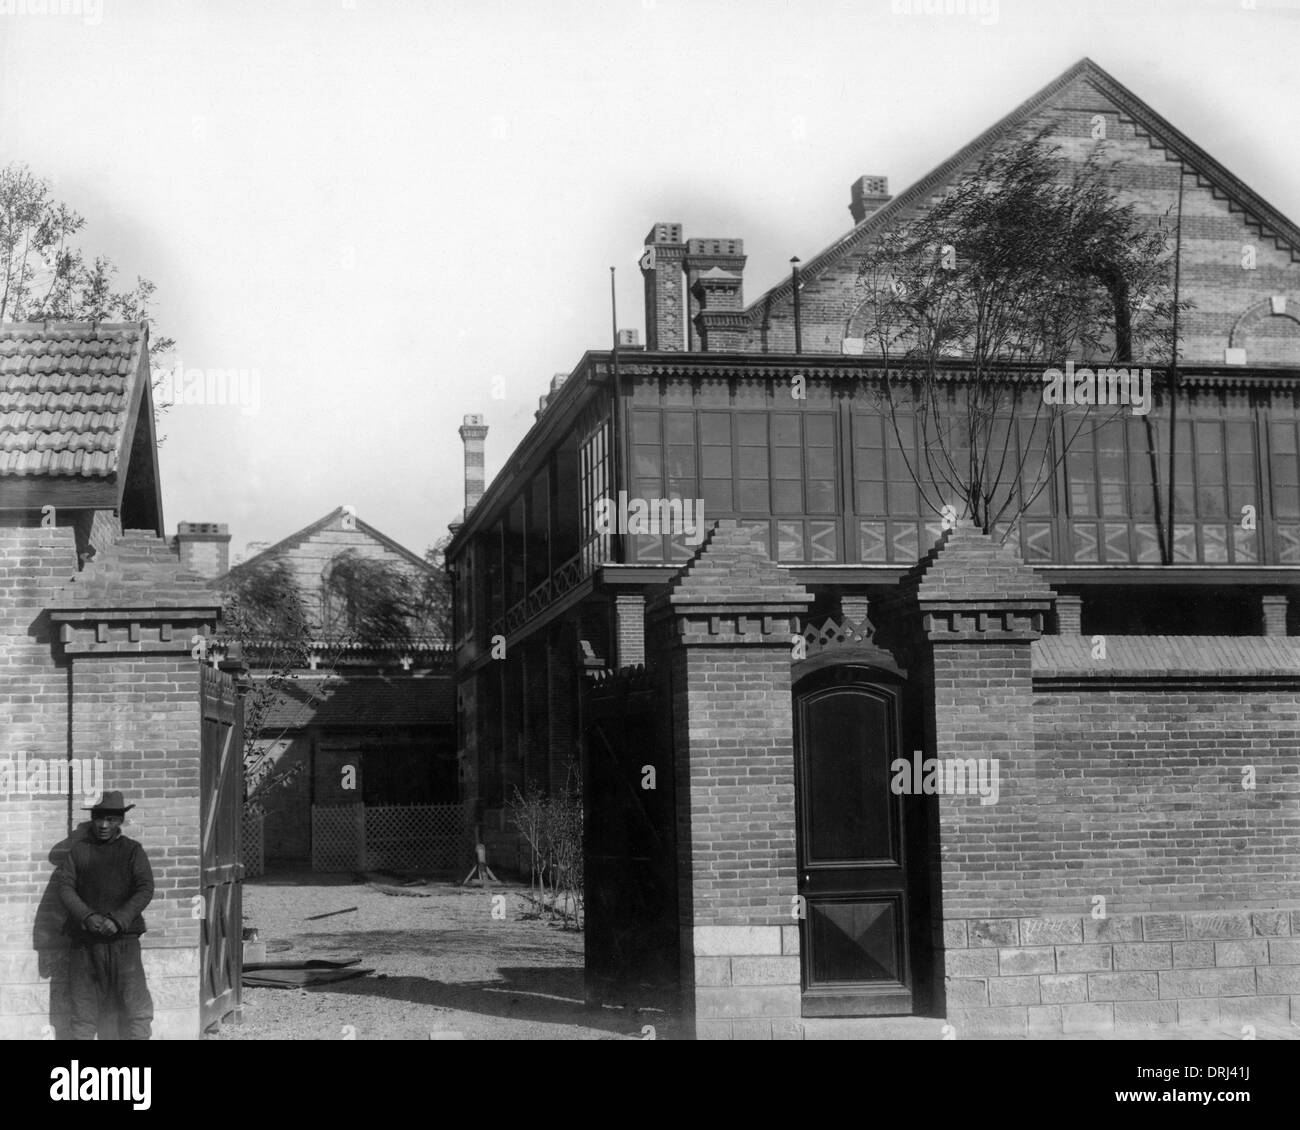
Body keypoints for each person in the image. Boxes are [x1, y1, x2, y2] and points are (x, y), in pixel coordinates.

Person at [54, 790, 155, 1040]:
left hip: (124, 942)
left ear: (120, 821)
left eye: (111, 819)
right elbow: (65, 887)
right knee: (83, 1008)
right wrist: (86, 916)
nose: (103, 825)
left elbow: (145, 888)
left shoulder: (132, 851)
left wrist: (118, 920)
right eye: (99, 818)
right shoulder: (80, 851)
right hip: (85, 944)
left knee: (136, 1006)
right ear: (93, 820)